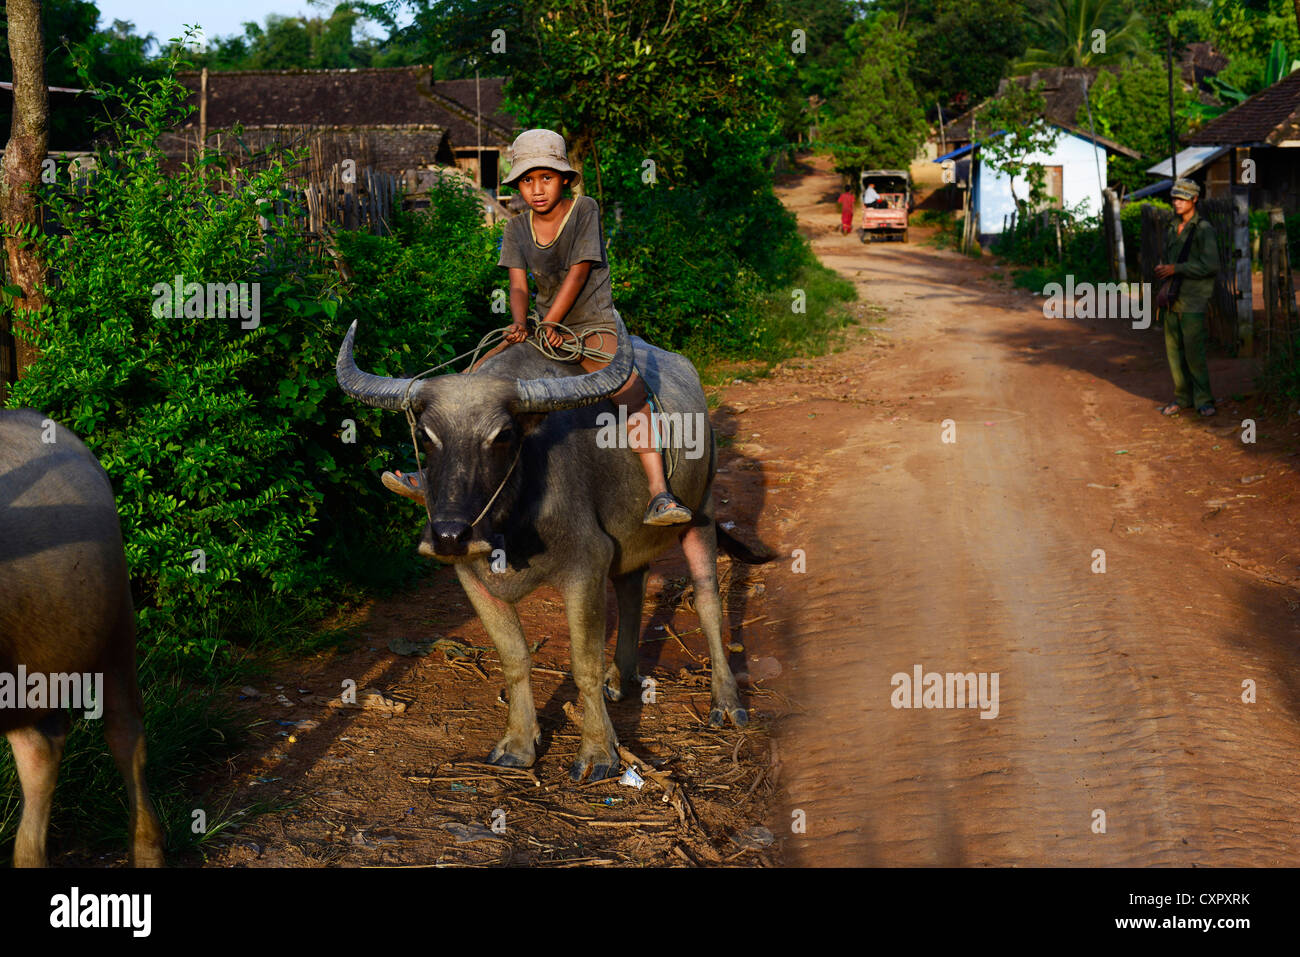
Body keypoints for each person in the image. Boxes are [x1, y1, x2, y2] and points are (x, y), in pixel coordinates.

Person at [385, 129, 692, 525]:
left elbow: (579, 274)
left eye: (546, 177)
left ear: (565, 178)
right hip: (543, 331)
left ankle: (659, 492)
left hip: (591, 326)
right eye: (527, 180)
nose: (537, 189)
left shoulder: (585, 210)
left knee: (628, 392)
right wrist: (519, 324)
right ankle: (432, 476)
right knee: (468, 385)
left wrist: (549, 322)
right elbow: (518, 285)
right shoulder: (515, 228)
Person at [1155, 178, 1219, 417]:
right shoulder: (1173, 227)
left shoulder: (1203, 229)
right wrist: (1166, 269)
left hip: (1193, 298)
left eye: (1183, 198)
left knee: (1194, 351)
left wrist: (1177, 269)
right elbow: (1173, 261)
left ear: (1195, 199)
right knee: (1174, 350)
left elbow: (1210, 266)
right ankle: (1182, 398)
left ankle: (1204, 400)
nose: (1177, 202)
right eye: (1174, 197)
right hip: (1172, 296)